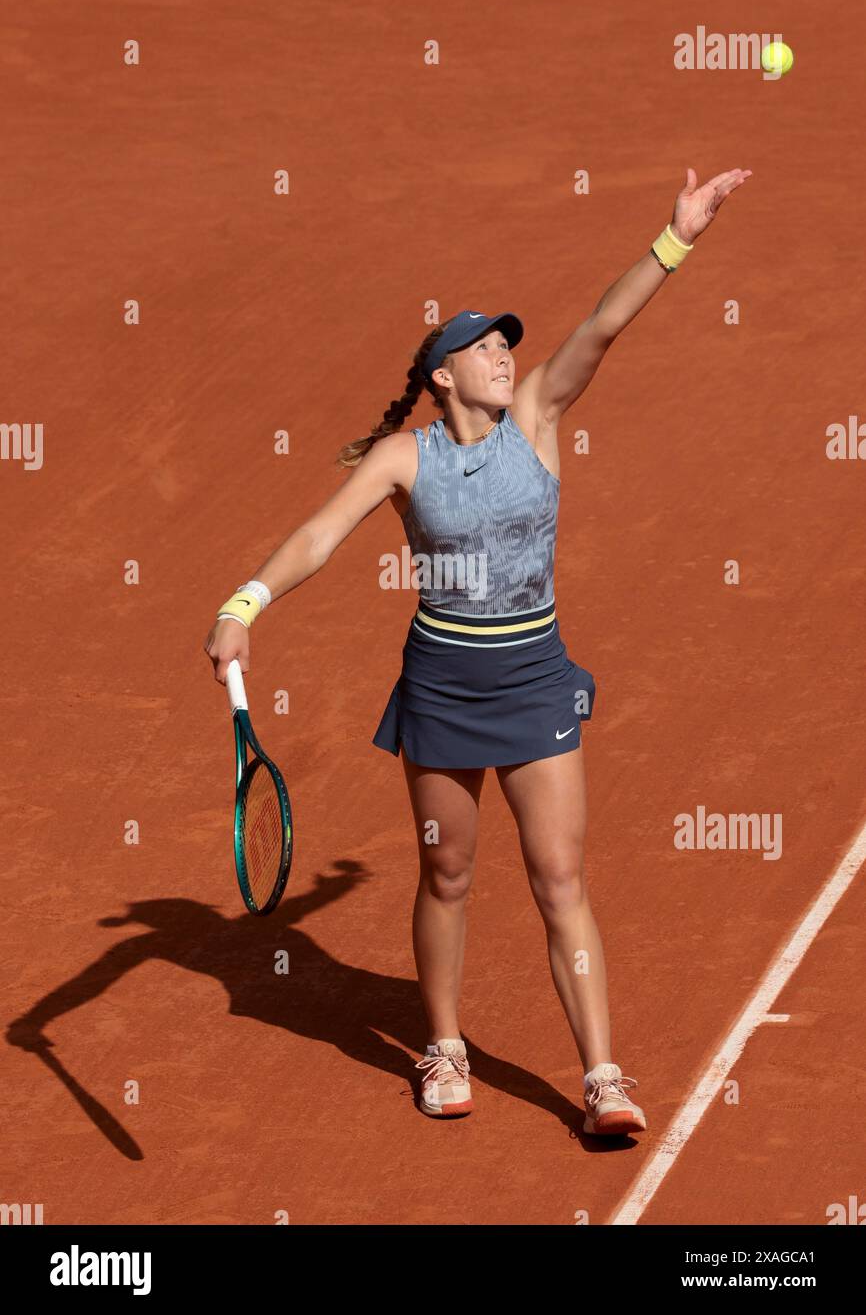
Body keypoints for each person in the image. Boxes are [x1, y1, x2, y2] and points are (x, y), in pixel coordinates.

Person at [204, 166, 752, 1136]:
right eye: (482, 346)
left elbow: (602, 324)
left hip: (535, 676)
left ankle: (602, 1077)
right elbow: (320, 538)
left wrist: (675, 237)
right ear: (441, 374)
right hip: (443, 687)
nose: (503, 352)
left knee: (558, 878)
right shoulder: (401, 459)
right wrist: (246, 601)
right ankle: (444, 1048)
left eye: (505, 342)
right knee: (446, 874)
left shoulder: (538, 414)